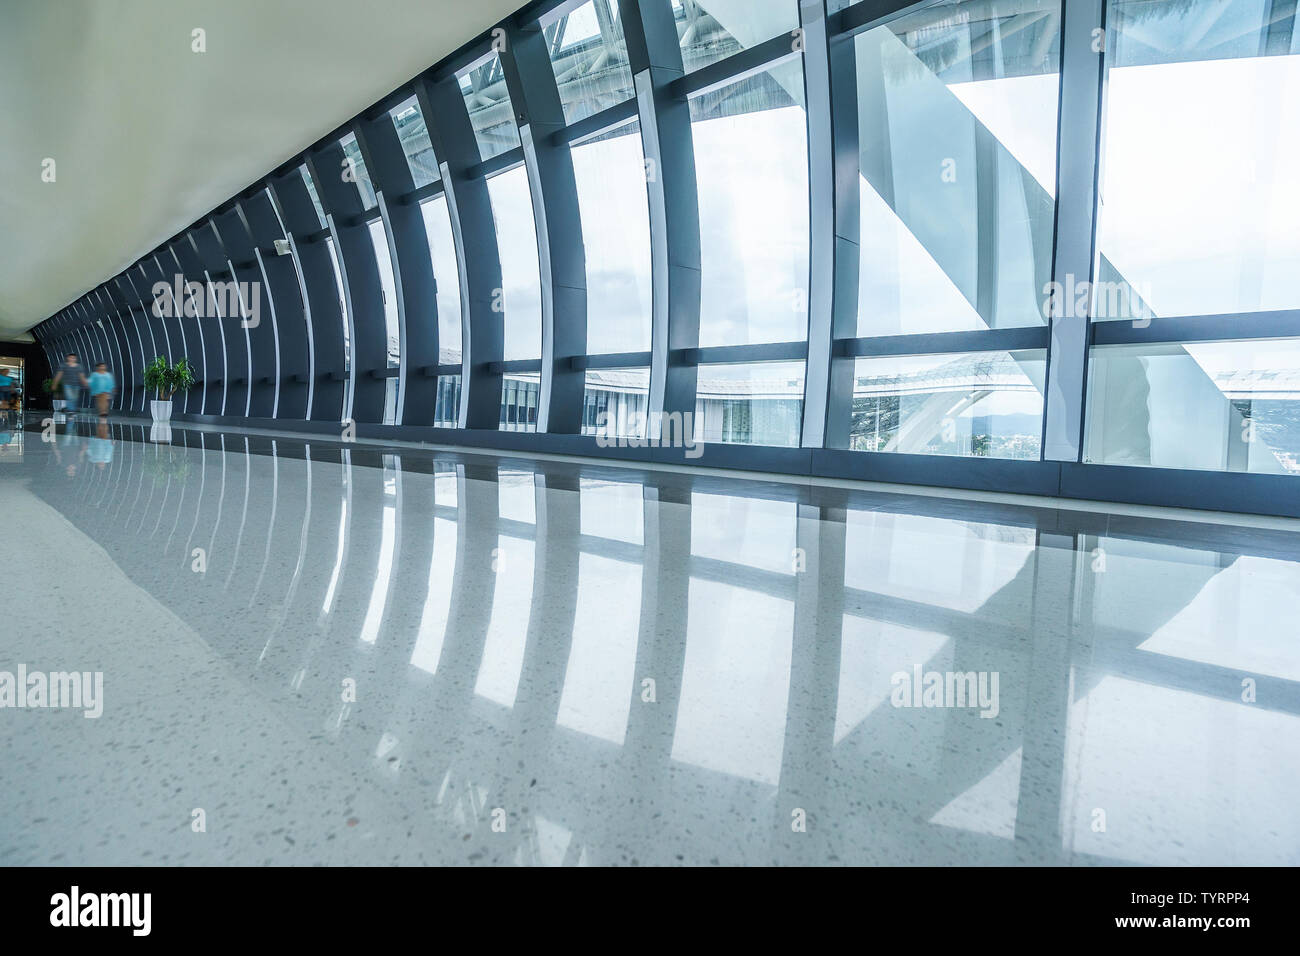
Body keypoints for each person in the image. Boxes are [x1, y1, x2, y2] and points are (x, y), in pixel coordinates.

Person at [52, 353, 87, 418]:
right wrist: (55, 384)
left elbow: (81, 376)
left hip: (76, 385)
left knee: (75, 398)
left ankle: (72, 410)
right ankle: (71, 410)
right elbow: (59, 375)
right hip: (67, 384)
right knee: (69, 397)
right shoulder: (64, 366)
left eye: (73, 358)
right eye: (70, 357)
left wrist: (85, 383)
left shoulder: (79, 366)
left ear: (75, 359)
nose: (72, 359)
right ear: (68, 358)